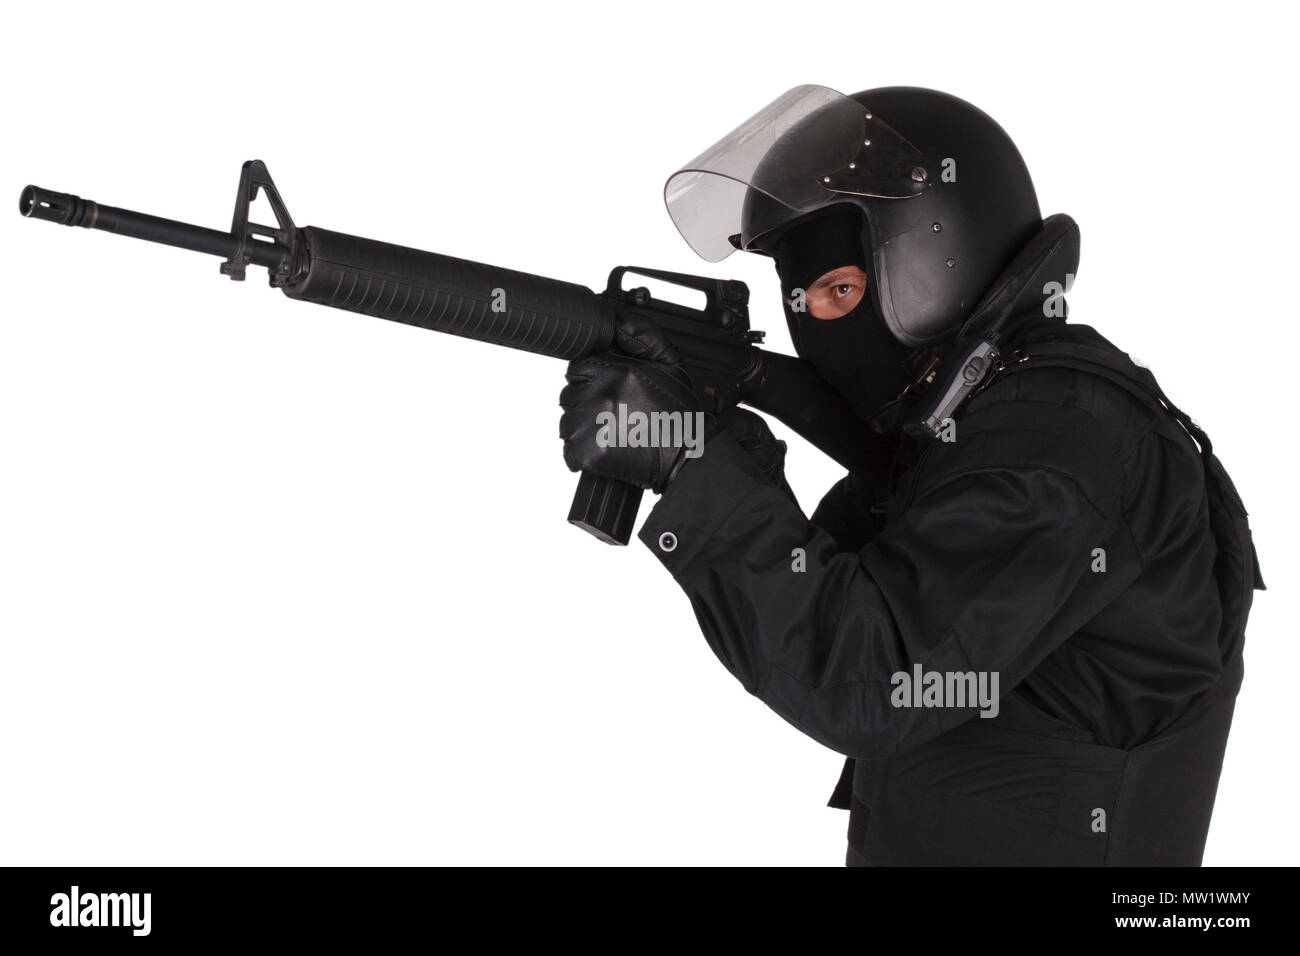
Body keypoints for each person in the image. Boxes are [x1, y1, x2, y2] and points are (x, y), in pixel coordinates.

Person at [558, 85, 1263, 865]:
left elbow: (873, 680)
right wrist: (732, 454)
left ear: (937, 261)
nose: (815, 326)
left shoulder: (1057, 442)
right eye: (801, 299)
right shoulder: (983, 427)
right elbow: (842, 597)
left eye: (841, 291)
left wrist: (690, 462)